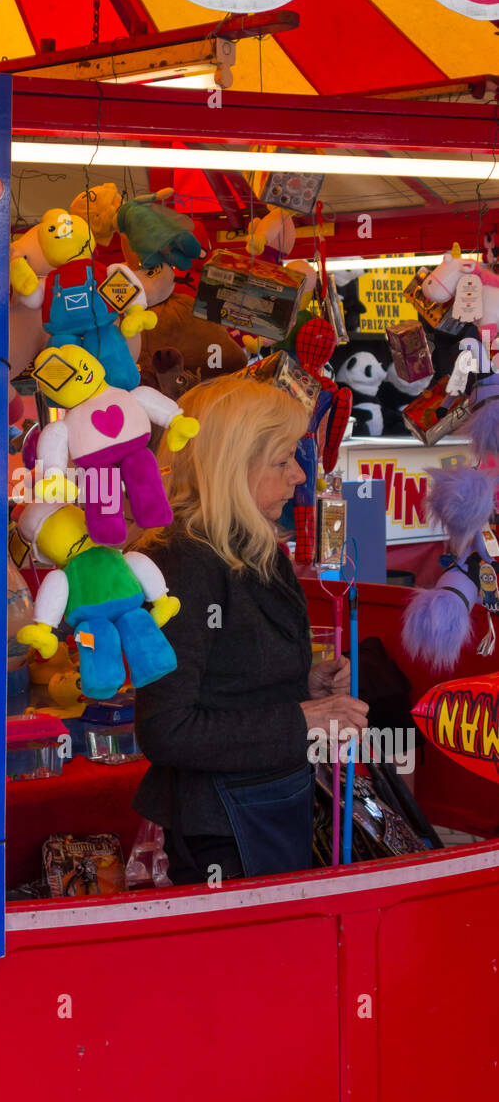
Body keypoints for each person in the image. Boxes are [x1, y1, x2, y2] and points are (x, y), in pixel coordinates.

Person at [132, 374, 368, 884]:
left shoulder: (253, 547)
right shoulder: (184, 563)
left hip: (269, 798)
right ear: (232, 468)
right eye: (282, 462)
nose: (298, 478)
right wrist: (302, 720)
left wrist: (302, 688)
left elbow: (228, 680)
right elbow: (167, 728)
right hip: (223, 827)